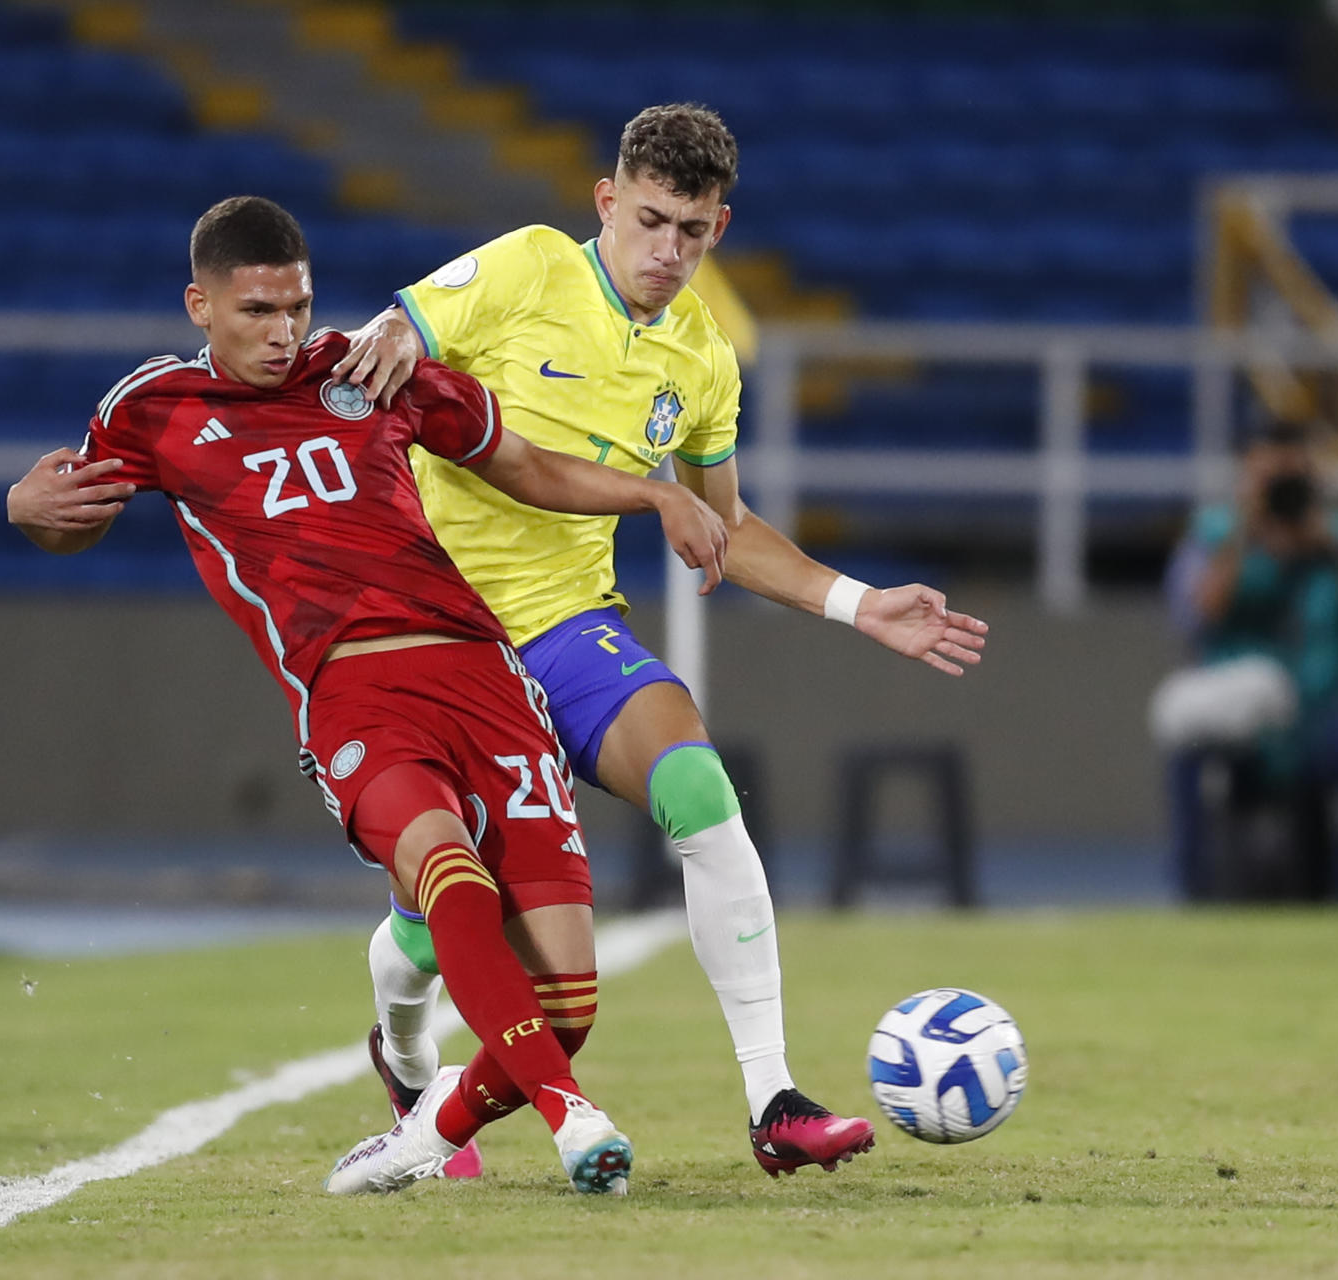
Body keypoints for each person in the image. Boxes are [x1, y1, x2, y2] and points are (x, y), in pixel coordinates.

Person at [6, 195, 731, 1195]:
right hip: (353, 688)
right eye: (257, 310)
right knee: (447, 872)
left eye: (296, 305)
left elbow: (517, 461)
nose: (283, 331)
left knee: (567, 999)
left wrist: (653, 489)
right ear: (200, 306)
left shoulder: (368, 370)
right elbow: (69, 512)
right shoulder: (154, 408)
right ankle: (572, 1113)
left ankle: (423, 1127)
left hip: (483, 672)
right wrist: (23, 506)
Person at [331, 103, 991, 1177]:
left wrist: (858, 603)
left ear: (718, 227)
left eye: (690, 230)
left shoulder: (703, 360)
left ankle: (774, 1096)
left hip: (567, 631)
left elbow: (725, 525)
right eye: (648, 220)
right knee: (433, 920)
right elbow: (399, 333)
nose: (666, 251)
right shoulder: (531, 268)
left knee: (698, 782)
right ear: (606, 201)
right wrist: (393, 341)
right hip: (437, 641)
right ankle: (408, 1062)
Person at [1163, 418, 1338, 901]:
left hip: (1322, 715)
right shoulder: (1213, 534)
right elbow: (1192, 616)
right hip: (1243, 719)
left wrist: (1331, 546)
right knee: (1184, 742)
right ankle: (1192, 891)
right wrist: (1245, 533)